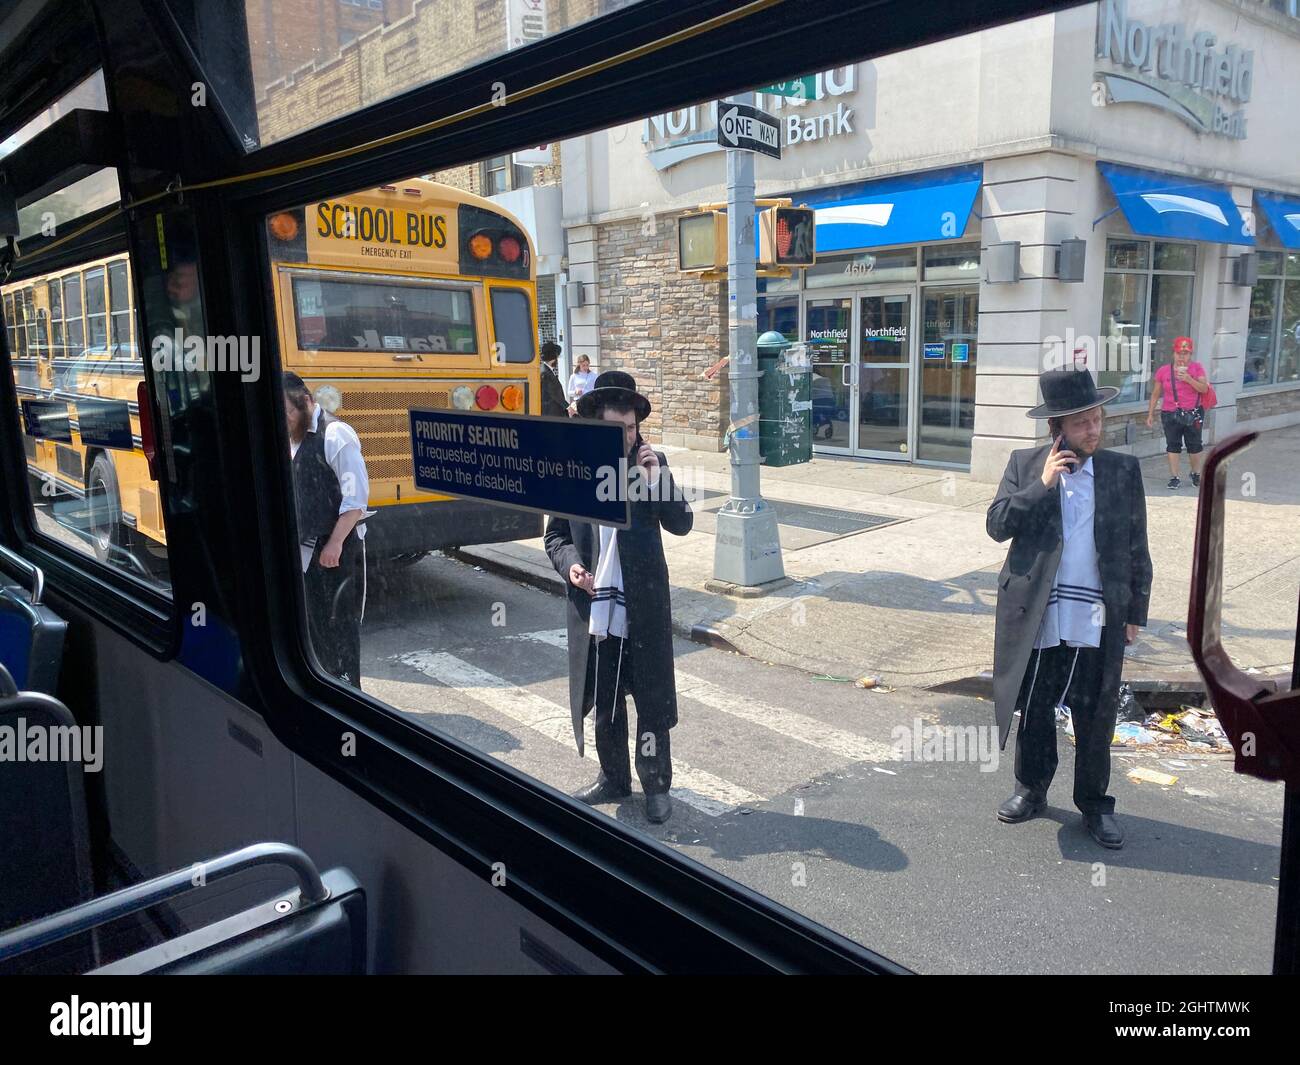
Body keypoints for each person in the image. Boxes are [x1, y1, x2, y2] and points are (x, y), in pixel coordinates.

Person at [987, 368, 1152, 850]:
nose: (1094, 430)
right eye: (1082, 423)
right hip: (1042, 615)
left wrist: (1136, 611)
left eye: (1097, 419)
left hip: (1100, 617)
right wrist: (1041, 485)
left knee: (1095, 714)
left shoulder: (1122, 470)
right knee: (1036, 709)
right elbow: (997, 526)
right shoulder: (1025, 463)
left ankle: (1096, 806)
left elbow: (1137, 544)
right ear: (1057, 427)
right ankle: (1031, 790)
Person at [544, 370, 693, 824]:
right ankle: (613, 778)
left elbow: (682, 523)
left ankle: (656, 786)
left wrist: (655, 481)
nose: (625, 438)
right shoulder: (575, 469)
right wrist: (571, 566)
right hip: (596, 610)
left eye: (630, 429)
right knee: (605, 702)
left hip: (642, 607)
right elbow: (555, 537)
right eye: (615, 430)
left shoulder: (653, 463)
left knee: (650, 699)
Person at [283, 372, 370, 688]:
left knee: (340, 622)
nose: (286, 420)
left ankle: (349, 688)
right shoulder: (295, 435)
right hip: (307, 546)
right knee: (314, 622)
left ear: (306, 401)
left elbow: (356, 499)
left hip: (337, 545)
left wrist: (334, 544)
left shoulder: (336, 434)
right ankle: (325, 685)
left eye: (289, 412)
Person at [1146, 335, 1209, 490]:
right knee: (1173, 445)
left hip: (1193, 412)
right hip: (1170, 412)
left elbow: (1204, 389)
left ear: (1190, 354)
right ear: (1173, 353)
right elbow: (1155, 394)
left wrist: (1188, 379)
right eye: (1179, 353)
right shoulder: (1163, 371)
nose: (1182, 356)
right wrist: (1150, 414)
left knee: (1195, 445)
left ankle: (1195, 473)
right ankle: (1174, 477)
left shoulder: (1197, 368)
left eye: (1185, 353)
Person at [539, 340, 569, 417]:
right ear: (554, 358)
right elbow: (554, 393)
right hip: (550, 413)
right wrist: (568, 407)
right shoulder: (545, 373)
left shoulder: (544, 369)